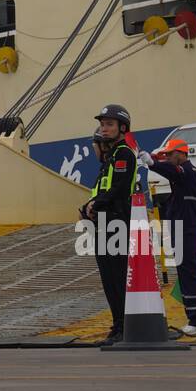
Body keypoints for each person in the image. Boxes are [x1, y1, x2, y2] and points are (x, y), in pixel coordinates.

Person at [79, 104, 137, 343]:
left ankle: (124, 327)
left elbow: (120, 188)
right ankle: (117, 325)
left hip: (117, 221)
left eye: (109, 124)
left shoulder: (124, 153)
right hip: (104, 221)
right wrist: (88, 208)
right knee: (107, 277)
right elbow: (103, 189)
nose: (104, 128)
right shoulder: (110, 156)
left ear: (123, 128)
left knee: (117, 275)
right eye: (102, 124)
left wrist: (97, 204)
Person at [146, 138, 196, 336]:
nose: (169, 158)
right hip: (184, 228)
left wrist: (152, 163)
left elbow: (172, 171)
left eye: (171, 154)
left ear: (181, 153)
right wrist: (155, 158)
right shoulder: (185, 174)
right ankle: (195, 319)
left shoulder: (186, 171)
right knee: (185, 271)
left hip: (186, 229)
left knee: (188, 272)